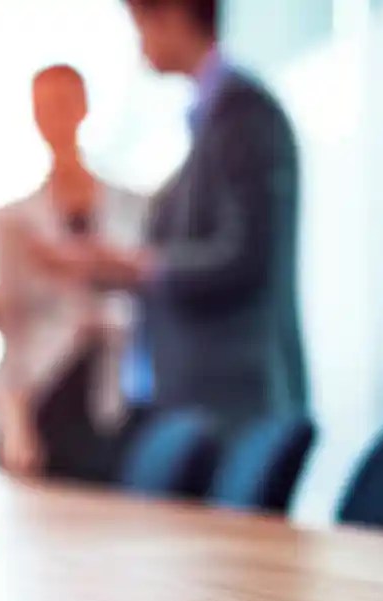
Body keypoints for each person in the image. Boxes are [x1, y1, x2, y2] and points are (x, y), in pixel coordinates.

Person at [103, 0, 307, 439]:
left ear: (174, 14)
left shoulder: (244, 112)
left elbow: (246, 255)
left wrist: (143, 268)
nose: (140, 46)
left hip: (235, 396)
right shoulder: (212, 116)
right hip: (208, 398)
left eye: (141, 26)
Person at [0, 65, 147, 480]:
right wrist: (15, 421)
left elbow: (151, 288)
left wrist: (86, 263)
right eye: (42, 107)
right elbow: (15, 329)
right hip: (47, 388)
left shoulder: (134, 205)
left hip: (116, 389)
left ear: (83, 107)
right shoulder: (14, 221)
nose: (53, 117)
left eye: (62, 103)